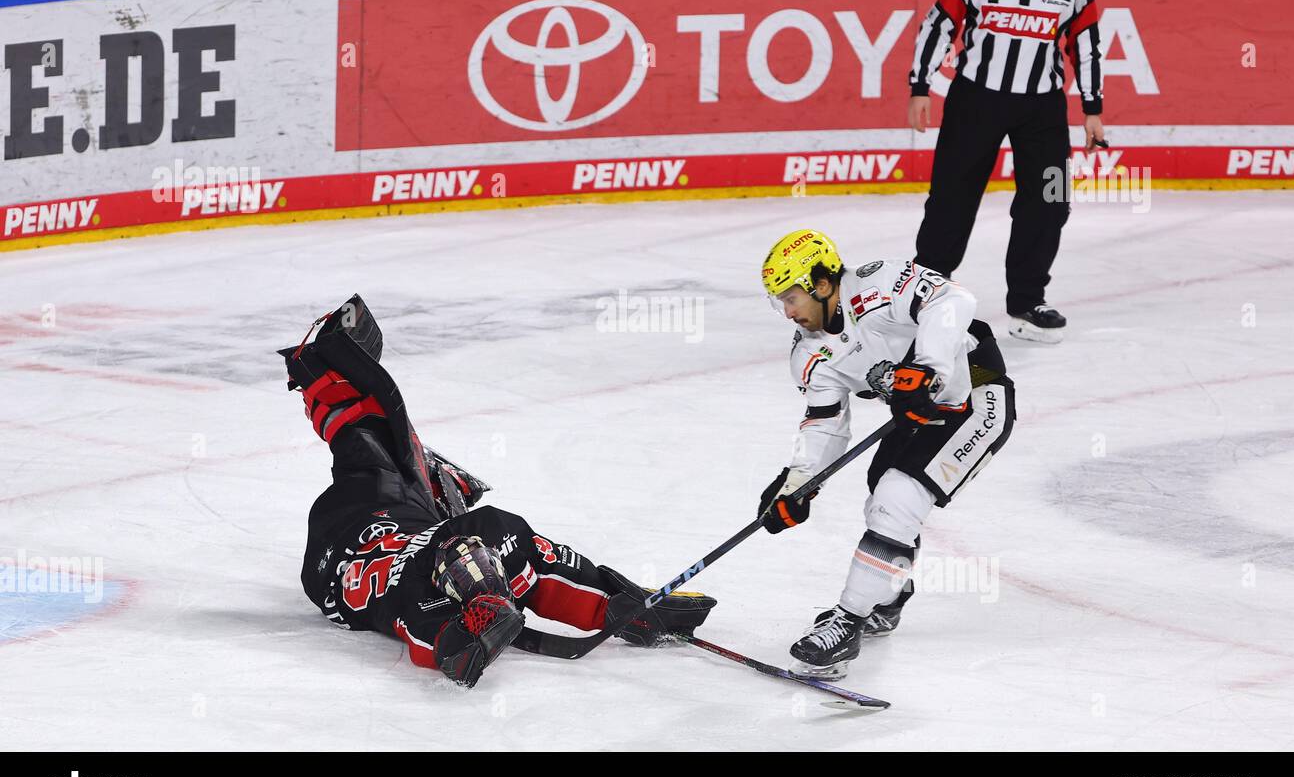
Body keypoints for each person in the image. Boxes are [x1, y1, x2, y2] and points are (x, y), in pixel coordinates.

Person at [279, 295, 715, 688]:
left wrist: (327, 359)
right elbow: (366, 430)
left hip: (339, 574)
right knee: (488, 533)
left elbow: (362, 429)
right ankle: (614, 606)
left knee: (468, 552)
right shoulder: (418, 520)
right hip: (353, 565)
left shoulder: (388, 517)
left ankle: (517, 611)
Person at [757, 230, 1015, 678]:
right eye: (780, 300)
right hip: (918, 414)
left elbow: (955, 301)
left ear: (821, 283)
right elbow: (824, 422)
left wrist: (927, 368)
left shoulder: (878, 283)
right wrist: (798, 483)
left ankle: (848, 620)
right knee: (882, 500)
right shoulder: (808, 353)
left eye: (792, 296)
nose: (788, 310)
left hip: (975, 396)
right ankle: (886, 598)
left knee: (897, 499)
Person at [907, 0, 1104, 344]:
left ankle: (1027, 302)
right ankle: (925, 292)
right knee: (950, 198)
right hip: (975, 99)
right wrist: (921, 85)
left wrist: (1092, 107)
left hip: (1043, 107)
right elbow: (940, 22)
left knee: (1050, 201)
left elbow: (1087, 43)